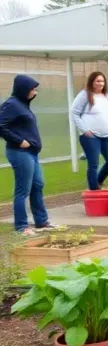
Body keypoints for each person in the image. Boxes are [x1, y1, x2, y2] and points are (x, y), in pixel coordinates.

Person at [0, 75, 59, 235]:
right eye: (32, 89)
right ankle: (22, 226)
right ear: (22, 89)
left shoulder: (22, 105)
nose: (35, 92)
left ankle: (42, 221)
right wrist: (19, 141)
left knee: (37, 185)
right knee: (23, 190)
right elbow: (1, 126)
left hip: (32, 153)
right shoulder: (11, 104)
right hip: (20, 152)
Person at [71, 71, 108, 191]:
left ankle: (98, 181)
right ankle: (94, 190)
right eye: (98, 81)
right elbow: (74, 112)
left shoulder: (106, 96)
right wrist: (85, 130)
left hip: (107, 135)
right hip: (90, 136)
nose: (101, 83)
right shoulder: (85, 94)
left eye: (102, 81)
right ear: (92, 82)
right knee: (93, 163)